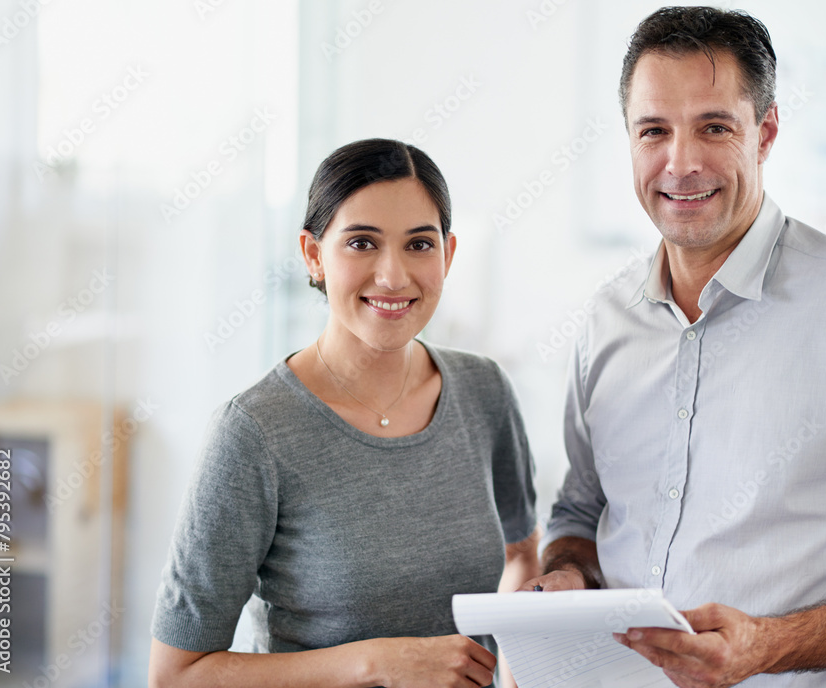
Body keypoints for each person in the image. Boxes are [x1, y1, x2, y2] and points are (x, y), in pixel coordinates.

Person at [523, 6, 826, 688]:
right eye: (654, 131)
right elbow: (580, 513)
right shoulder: (605, 320)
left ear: (764, 133)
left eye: (714, 127)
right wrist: (564, 572)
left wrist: (772, 644)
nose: (681, 163)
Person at [149, 138, 539, 688]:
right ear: (313, 255)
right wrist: (376, 663)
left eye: (419, 245)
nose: (393, 276)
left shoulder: (485, 390)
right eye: (361, 243)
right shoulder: (254, 433)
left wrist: (520, 662)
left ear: (448, 255)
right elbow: (177, 676)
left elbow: (523, 553)